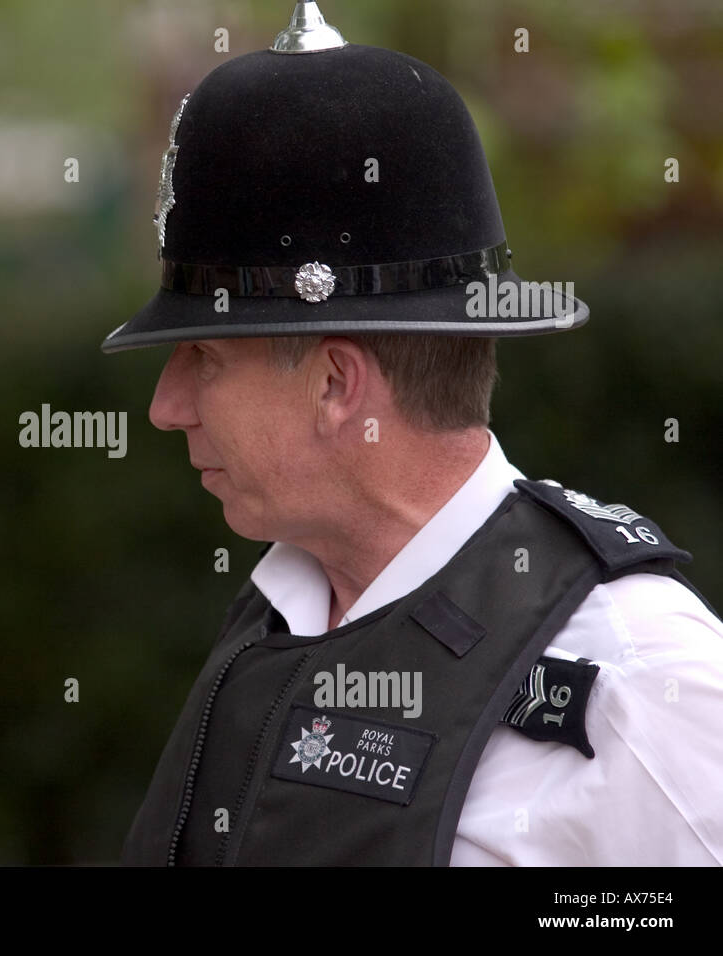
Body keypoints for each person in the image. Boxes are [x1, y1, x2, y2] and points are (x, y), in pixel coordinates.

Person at [102, 4, 723, 865]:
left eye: (203, 357)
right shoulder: (282, 611)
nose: (166, 407)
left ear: (334, 384)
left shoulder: (635, 677)